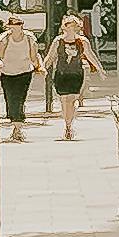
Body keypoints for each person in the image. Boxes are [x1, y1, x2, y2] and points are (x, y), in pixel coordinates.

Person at [0, 6, 40, 139]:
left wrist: (38, 66)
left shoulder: (29, 37)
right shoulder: (4, 38)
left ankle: (17, 128)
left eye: (18, 24)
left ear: (22, 26)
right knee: (10, 99)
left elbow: (34, 55)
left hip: (25, 72)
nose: (15, 27)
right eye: (12, 25)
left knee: (20, 99)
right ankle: (15, 123)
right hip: (7, 73)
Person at [46, 11, 93, 141]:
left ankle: (68, 125)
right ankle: (67, 123)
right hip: (61, 74)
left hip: (76, 74)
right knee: (64, 100)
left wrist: (100, 69)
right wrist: (43, 67)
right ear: (63, 27)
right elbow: (50, 56)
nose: (70, 28)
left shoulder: (82, 41)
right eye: (68, 25)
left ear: (77, 27)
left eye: (73, 26)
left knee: (72, 99)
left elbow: (90, 55)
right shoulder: (58, 41)